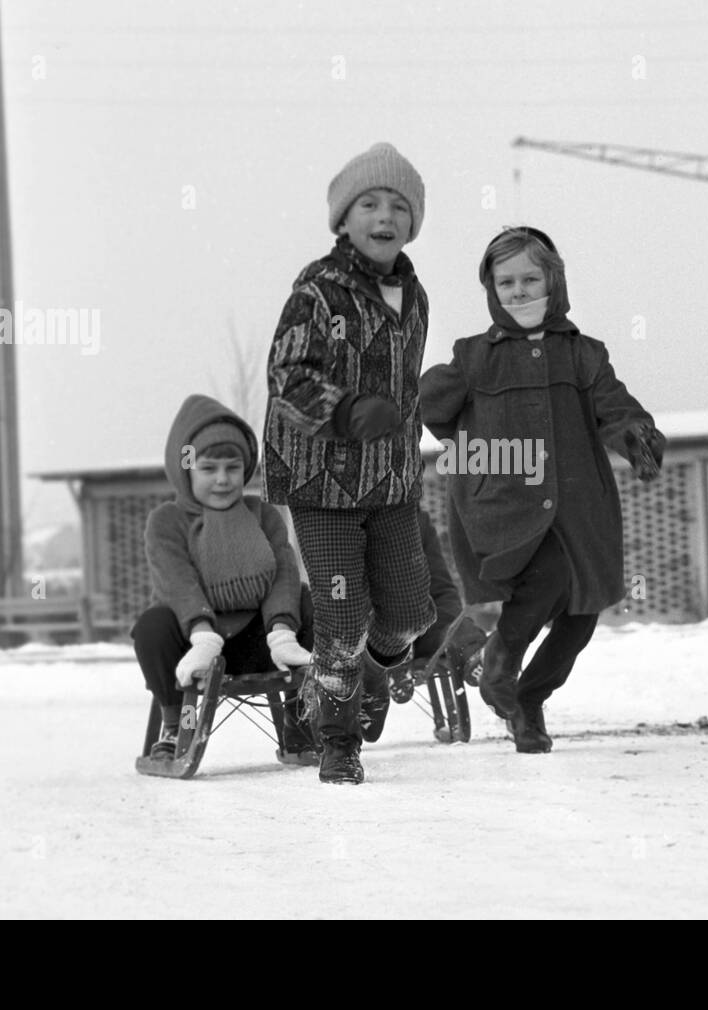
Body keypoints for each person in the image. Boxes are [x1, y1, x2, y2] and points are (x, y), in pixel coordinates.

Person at [420, 226, 664, 754]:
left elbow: (614, 406)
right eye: (506, 281)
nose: (519, 291)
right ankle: (500, 667)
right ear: (491, 288)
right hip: (509, 505)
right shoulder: (473, 357)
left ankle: (528, 702)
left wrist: (637, 435)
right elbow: (428, 407)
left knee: (579, 621)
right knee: (546, 576)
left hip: (579, 505)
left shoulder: (583, 355)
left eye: (530, 278)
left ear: (553, 280)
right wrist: (477, 453)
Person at [264, 142, 436, 784]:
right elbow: (288, 376)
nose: (383, 215)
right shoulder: (317, 292)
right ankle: (337, 739)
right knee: (340, 617)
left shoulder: (415, 298)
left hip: (391, 480)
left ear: (412, 223)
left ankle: (363, 668)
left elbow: (409, 385)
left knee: (411, 615)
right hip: (323, 483)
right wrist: (345, 412)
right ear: (343, 218)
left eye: (398, 205)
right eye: (369, 203)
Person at [133, 394, 315, 764]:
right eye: (208, 469)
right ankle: (175, 724)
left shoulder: (263, 515)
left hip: (257, 641)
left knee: (308, 598)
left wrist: (281, 630)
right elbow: (177, 582)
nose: (222, 480)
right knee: (151, 627)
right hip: (193, 643)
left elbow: (283, 574)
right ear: (186, 470)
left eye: (232, 468)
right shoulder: (167, 521)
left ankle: (301, 722)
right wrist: (201, 632)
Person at [385, 507, 488, 711]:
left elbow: (441, 586)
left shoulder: (416, 520)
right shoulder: (344, 523)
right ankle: (393, 667)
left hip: (423, 623)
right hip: (375, 632)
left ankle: (482, 661)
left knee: (457, 630)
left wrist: (451, 624)